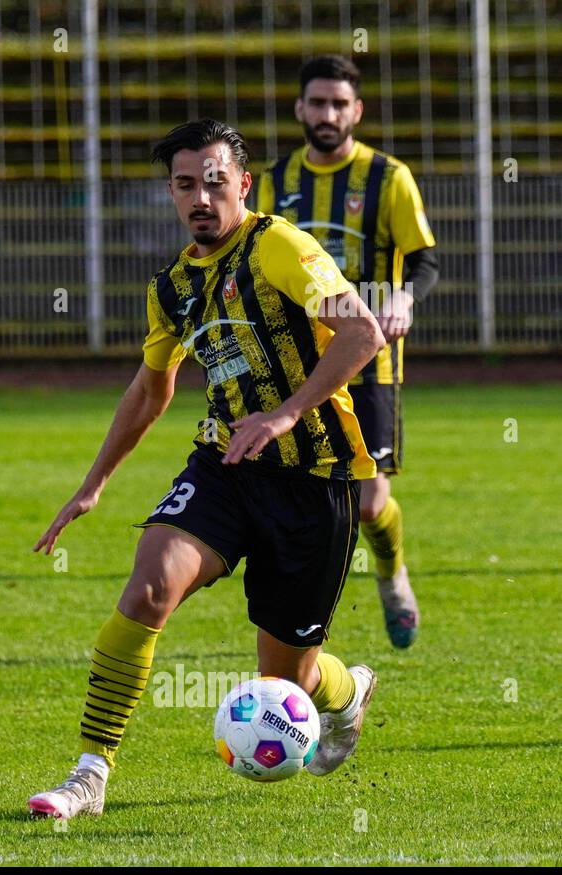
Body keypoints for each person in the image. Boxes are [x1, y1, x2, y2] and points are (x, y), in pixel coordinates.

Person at [27, 119, 385, 820]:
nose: (201, 197)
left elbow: (362, 331)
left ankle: (346, 693)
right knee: (150, 586)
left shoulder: (279, 246)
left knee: (290, 678)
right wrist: (93, 484)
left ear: (242, 185)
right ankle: (89, 774)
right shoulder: (171, 289)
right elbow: (150, 390)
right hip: (225, 468)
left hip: (313, 480)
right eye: (186, 184)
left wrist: (285, 413)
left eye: (215, 182)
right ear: (172, 192)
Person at [256, 55, 439, 648]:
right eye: (318, 103)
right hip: (297, 364)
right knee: (295, 496)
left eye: (339, 104)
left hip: (371, 362)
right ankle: (299, 628)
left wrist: (404, 300)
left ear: (356, 111)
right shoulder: (272, 181)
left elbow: (422, 258)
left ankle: (391, 573)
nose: (328, 113)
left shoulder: (389, 178)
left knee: (366, 504)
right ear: (299, 109)